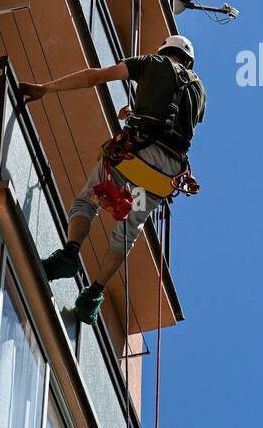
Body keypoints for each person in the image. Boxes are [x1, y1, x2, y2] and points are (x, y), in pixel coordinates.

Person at [21, 35, 205, 325]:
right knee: (128, 231)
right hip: (161, 177)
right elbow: (174, 126)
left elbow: (97, 76)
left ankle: (70, 254)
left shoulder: (150, 62)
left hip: (132, 159)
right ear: (189, 61)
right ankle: (93, 294)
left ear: (164, 52)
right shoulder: (199, 91)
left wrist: (48, 87)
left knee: (89, 199)